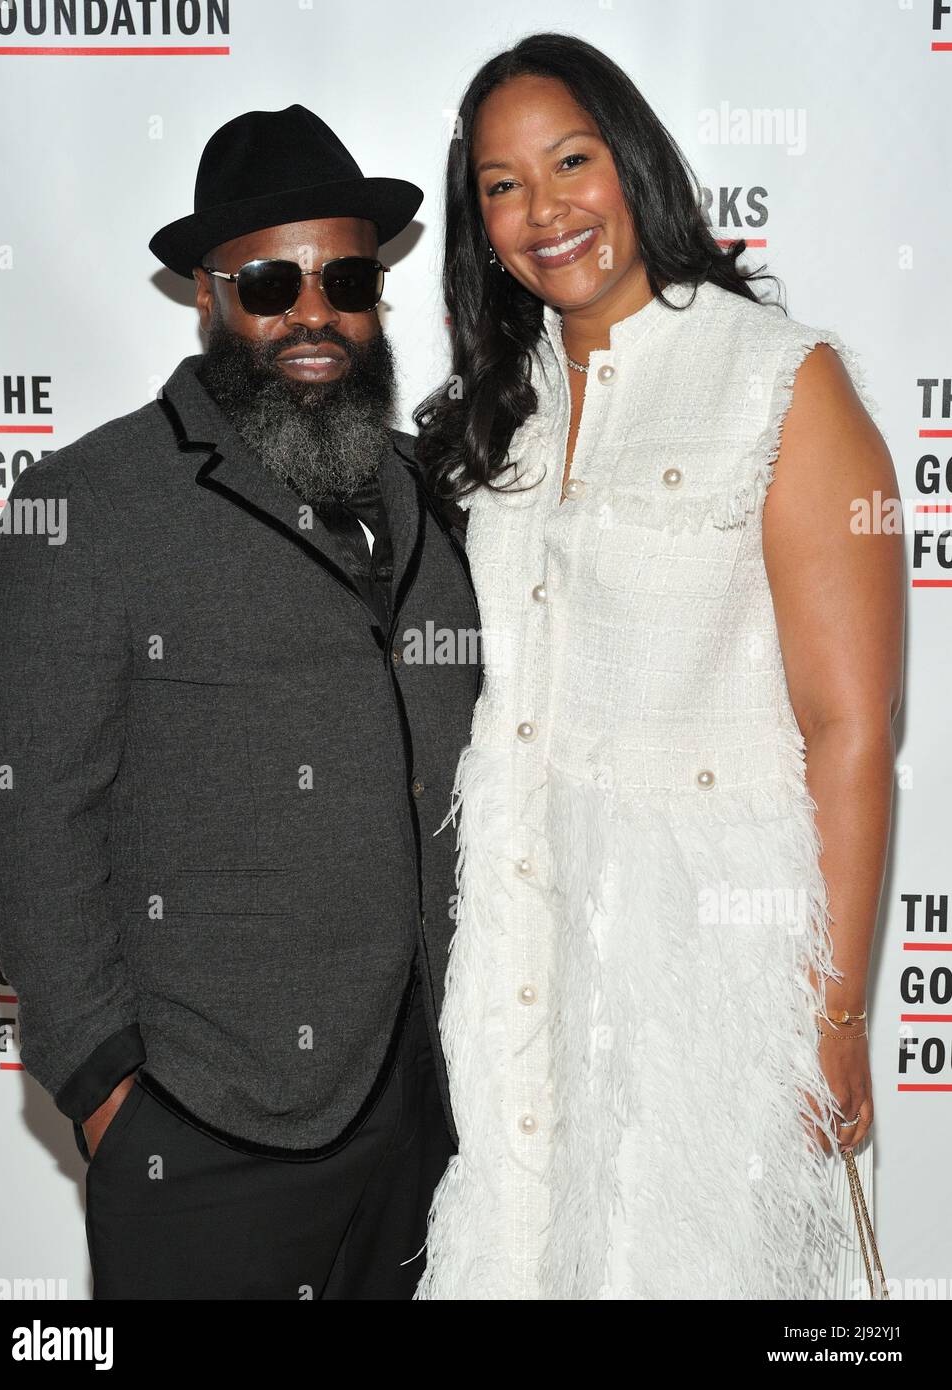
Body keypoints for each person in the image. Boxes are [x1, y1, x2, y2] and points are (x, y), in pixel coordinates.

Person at [413, 33, 903, 1300]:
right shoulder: (499, 405)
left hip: (708, 975)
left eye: (571, 161)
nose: (546, 210)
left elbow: (850, 729)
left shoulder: (778, 381)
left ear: (632, 163)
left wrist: (834, 1020)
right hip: (525, 952)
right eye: (502, 186)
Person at [0, 103, 481, 1300]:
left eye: (344, 277)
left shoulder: (429, 494)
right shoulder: (89, 505)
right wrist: (106, 1091)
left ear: (377, 296)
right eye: (269, 283)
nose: (313, 314)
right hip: (206, 1131)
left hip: (427, 1112)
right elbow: (29, 812)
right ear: (209, 295)